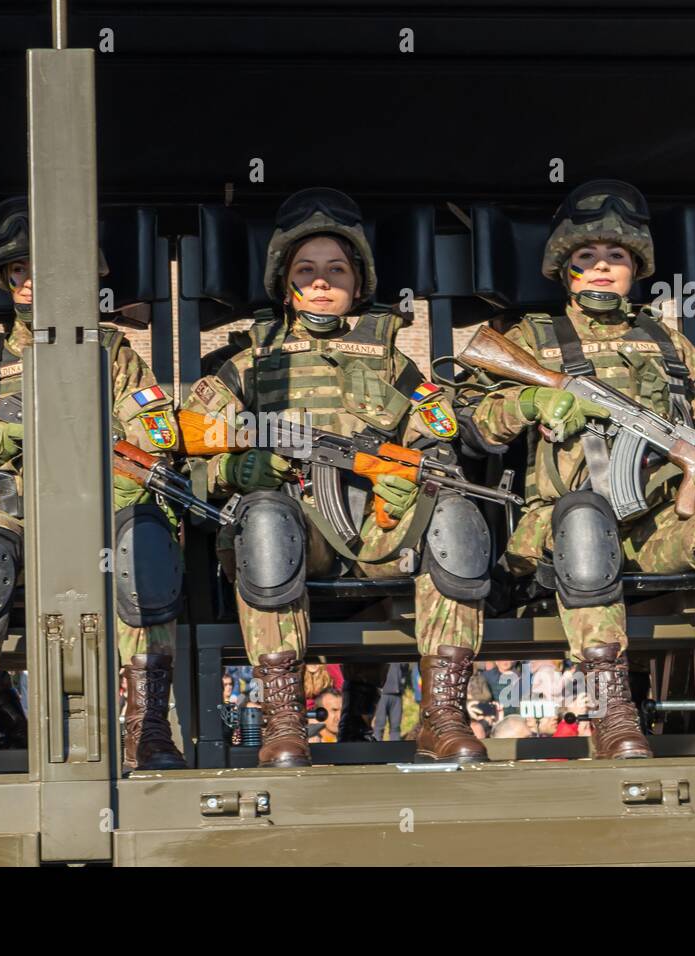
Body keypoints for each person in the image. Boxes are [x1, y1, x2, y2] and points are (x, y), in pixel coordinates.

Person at [182, 187, 493, 767]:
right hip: (299, 528)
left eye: (335, 271)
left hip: (380, 528)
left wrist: (418, 476)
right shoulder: (247, 362)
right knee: (267, 522)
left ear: (357, 282)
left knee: (457, 518)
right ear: (285, 284)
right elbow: (184, 453)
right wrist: (236, 468)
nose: (322, 283)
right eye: (307, 271)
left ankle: (444, 713)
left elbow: (436, 439)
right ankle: (283, 720)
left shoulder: (394, 362)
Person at [464, 179, 695, 759]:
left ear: (637, 270)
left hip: (655, 527)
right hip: (557, 525)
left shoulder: (667, 341)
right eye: (587, 258)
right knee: (585, 519)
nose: (603, 269)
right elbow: (471, 424)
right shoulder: (532, 338)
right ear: (564, 270)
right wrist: (528, 403)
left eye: (617, 258)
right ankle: (611, 714)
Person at [0, 196, 187, 775]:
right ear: (9, 282)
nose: (35, 283)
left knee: (146, 545)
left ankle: (147, 724)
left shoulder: (115, 356)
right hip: (5, 517)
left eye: (51, 270)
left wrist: (107, 455)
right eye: (21, 271)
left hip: (99, 518)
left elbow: (153, 441)